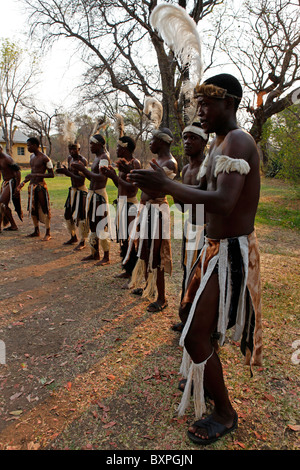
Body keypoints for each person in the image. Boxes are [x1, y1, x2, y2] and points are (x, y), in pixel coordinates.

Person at [127, 73, 262, 445]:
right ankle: (206, 379)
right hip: (212, 247)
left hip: (231, 251)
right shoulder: (218, 145)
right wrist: (160, 183)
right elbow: (197, 200)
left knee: (195, 334)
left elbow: (224, 202)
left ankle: (225, 413)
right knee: (191, 323)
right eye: (197, 104)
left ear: (229, 104)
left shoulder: (237, 140)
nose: (199, 111)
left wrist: (167, 187)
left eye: (207, 104)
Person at [126, 127, 178, 312]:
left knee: (157, 254)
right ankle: (149, 286)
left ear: (163, 141)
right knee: (146, 249)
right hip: (148, 210)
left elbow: (158, 189)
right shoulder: (158, 161)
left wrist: (140, 181)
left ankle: (162, 298)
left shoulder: (170, 164)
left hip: (157, 210)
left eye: (152, 140)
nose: (149, 143)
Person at [172, 122, 208, 333]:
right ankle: (187, 318)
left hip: (206, 228)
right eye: (185, 138)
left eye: (193, 138)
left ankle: (201, 325)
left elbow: (207, 200)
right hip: (190, 226)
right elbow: (181, 206)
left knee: (201, 275)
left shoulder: (208, 168)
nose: (187, 142)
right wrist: (172, 189)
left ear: (204, 141)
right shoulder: (185, 169)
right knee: (188, 271)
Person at [100, 135, 141, 283]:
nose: (116, 149)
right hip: (122, 204)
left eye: (118, 147)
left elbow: (133, 189)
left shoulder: (135, 163)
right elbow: (121, 186)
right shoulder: (123, 164)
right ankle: (127, 270)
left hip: (130, 205)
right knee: (123, 239)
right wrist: (112, 176)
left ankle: (135, 273)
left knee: (131, 239)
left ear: (125, 148)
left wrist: (114, 177)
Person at [71, 134, 111, 266]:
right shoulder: (97, 157)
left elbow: (100, 178)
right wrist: (82, 171)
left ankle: (106, 256)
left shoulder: (104, 157)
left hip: (99, 195)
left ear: (99, 144)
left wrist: (83, 169)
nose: (90, 147)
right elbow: (92, 178)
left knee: (101, 224)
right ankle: (95, 253)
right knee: (93, 224)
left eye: (92, 144)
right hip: (92, 195)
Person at [17, 137, 54, 241]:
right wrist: (23, 182)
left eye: (29, 145)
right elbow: (31, 175)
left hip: (40, 186)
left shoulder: (45, 158)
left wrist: (36, 174)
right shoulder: (32, 157)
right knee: (32, 208)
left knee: (44, 208)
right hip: (32, 186)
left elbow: (52, 175)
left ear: (35, 145)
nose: (27, 147)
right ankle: (36, 230)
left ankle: (48, 232)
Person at [57, 142, 89, 251]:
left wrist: (67, 173)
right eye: (70, 149)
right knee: (67, 214)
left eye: (74, 149)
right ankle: (73, 237)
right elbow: (71, 175)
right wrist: (64, 171)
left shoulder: (83, 161)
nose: (71, 151)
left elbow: (81, 179)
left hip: (81, 190)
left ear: (79, 149)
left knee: (81, 216)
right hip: (73, 190)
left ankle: (83, 241)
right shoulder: (70, 158)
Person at [0, 145, 23, 232]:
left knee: (2, 203)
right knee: (2, 204)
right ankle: (11, 225)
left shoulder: (7, 159)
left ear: (1, 149)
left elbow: (18, 172)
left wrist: (17, 187)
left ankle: (13, 225)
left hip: (11, 182)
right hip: (5, 182)